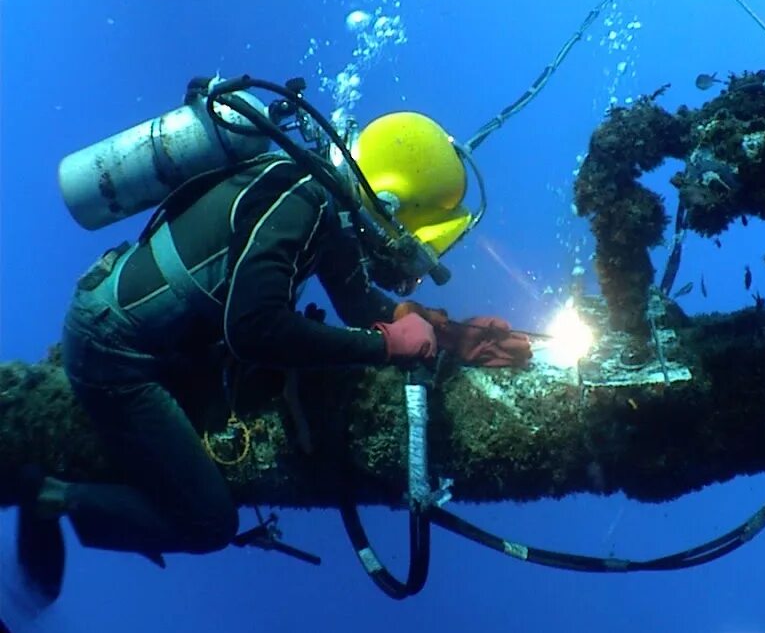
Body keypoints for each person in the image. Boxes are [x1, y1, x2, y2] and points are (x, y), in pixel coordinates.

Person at [5, 110, 531, 603]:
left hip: (160, 339)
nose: (401, 255)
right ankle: (51, 494)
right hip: (112, 350)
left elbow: (358, 301)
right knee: (209, 522)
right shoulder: (301, 199)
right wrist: (382, 346)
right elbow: (253, 329)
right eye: (406, 242)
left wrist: (439, 330)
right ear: (390, 205)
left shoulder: (316, 198)